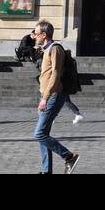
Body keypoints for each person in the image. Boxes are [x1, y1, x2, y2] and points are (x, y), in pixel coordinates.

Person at [32, 20, 79, 173]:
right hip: (45, 94)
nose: (34, 36)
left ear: (44, 35)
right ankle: (47, 171)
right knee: (43, 134)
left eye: (36, 33)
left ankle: (69, 156)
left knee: (39, 133)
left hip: (53, 95)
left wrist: (45, 98)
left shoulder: (55, 49)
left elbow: (55, 75)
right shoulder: (46, 49)